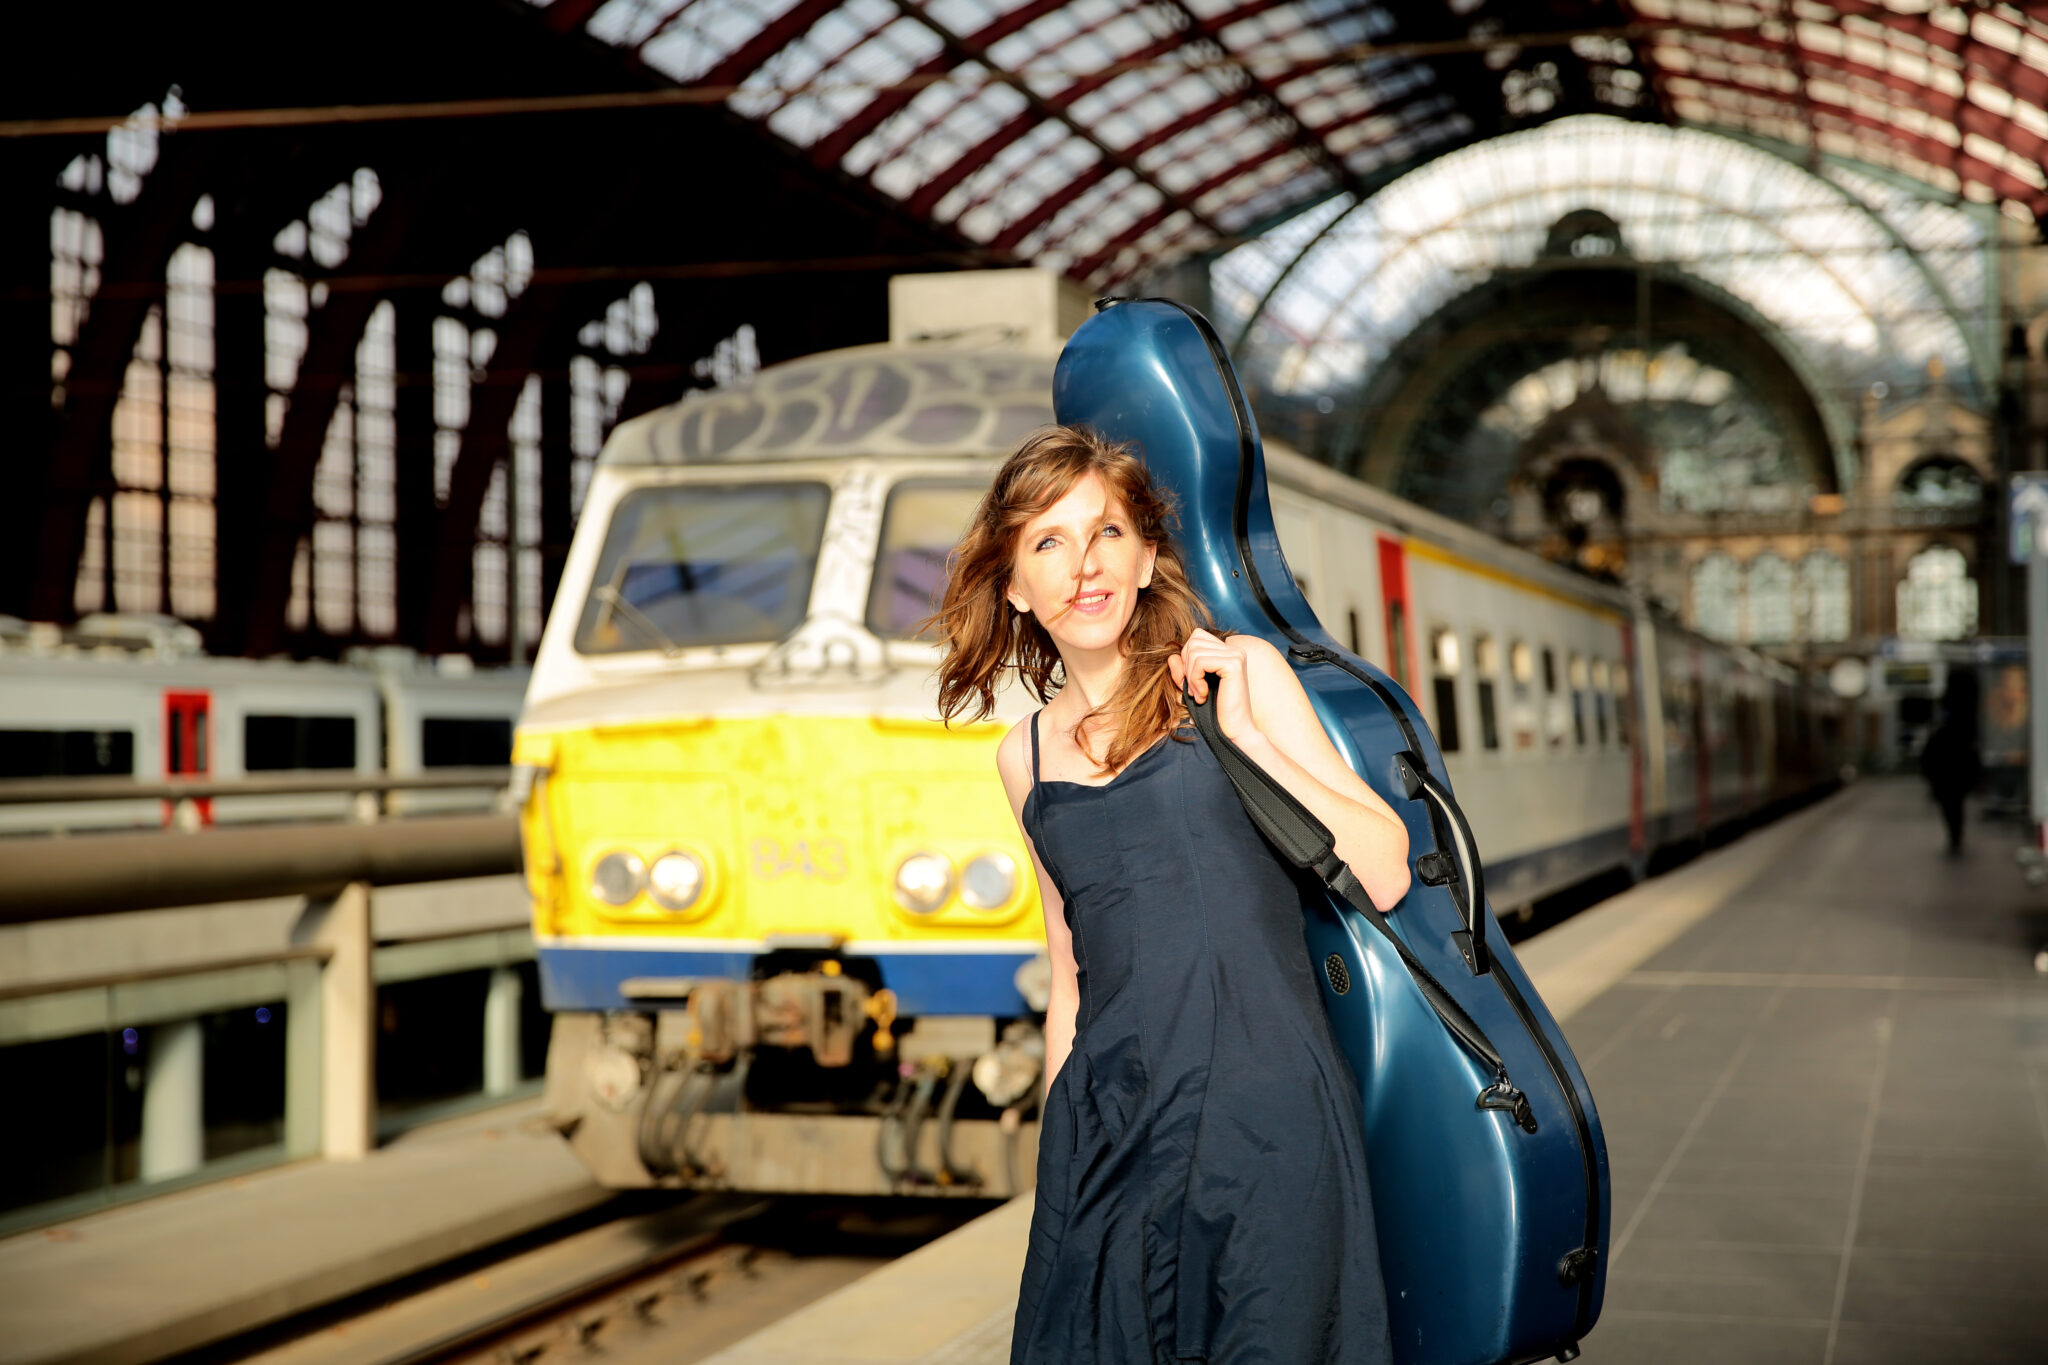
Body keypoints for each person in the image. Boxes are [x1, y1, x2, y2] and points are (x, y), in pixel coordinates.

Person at [932, 425, 1409, 1365]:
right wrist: (1058, 1161)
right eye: (1049, 543)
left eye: (1106, 532)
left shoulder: (1239, 677)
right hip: (1110, 1130)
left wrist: (1253, 744)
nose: (1085, 566)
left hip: (1265, 1117)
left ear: (1148, 556)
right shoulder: (1021, 756)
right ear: (1016, 588)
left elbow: (1386, 869)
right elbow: (1069, 974)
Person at [1919, 668, 1981, 854]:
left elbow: (1928, 758)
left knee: (1950, 807)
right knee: (1956, 806)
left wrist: (1930, 778)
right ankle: (1956, 835)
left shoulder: (1942, 734)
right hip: (1956, 775)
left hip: (1946, 776)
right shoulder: (1966, 730)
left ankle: (1954, 836)